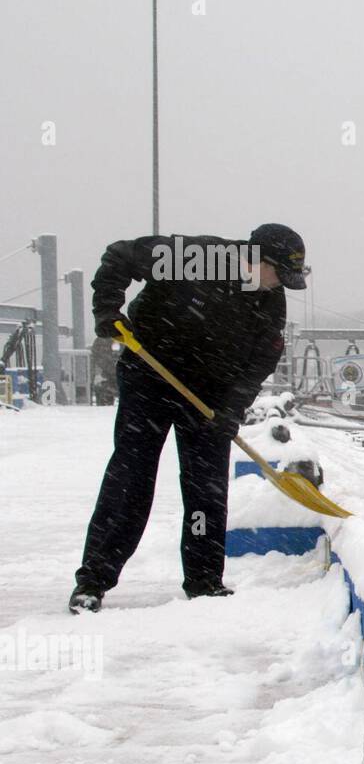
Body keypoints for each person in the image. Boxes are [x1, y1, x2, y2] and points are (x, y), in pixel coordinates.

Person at [68, 224, 308, 614]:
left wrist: (232, 409)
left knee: (206, 490)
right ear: (257, 258)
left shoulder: (269, 298)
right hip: (150, 375)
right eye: (278, 271)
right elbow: (121, 255)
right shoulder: (194, 258)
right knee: (131, 477)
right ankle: (93, 579)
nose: (279, 282)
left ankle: (204, 580)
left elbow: (262, 358)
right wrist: (107, 309)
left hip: (209, 395)